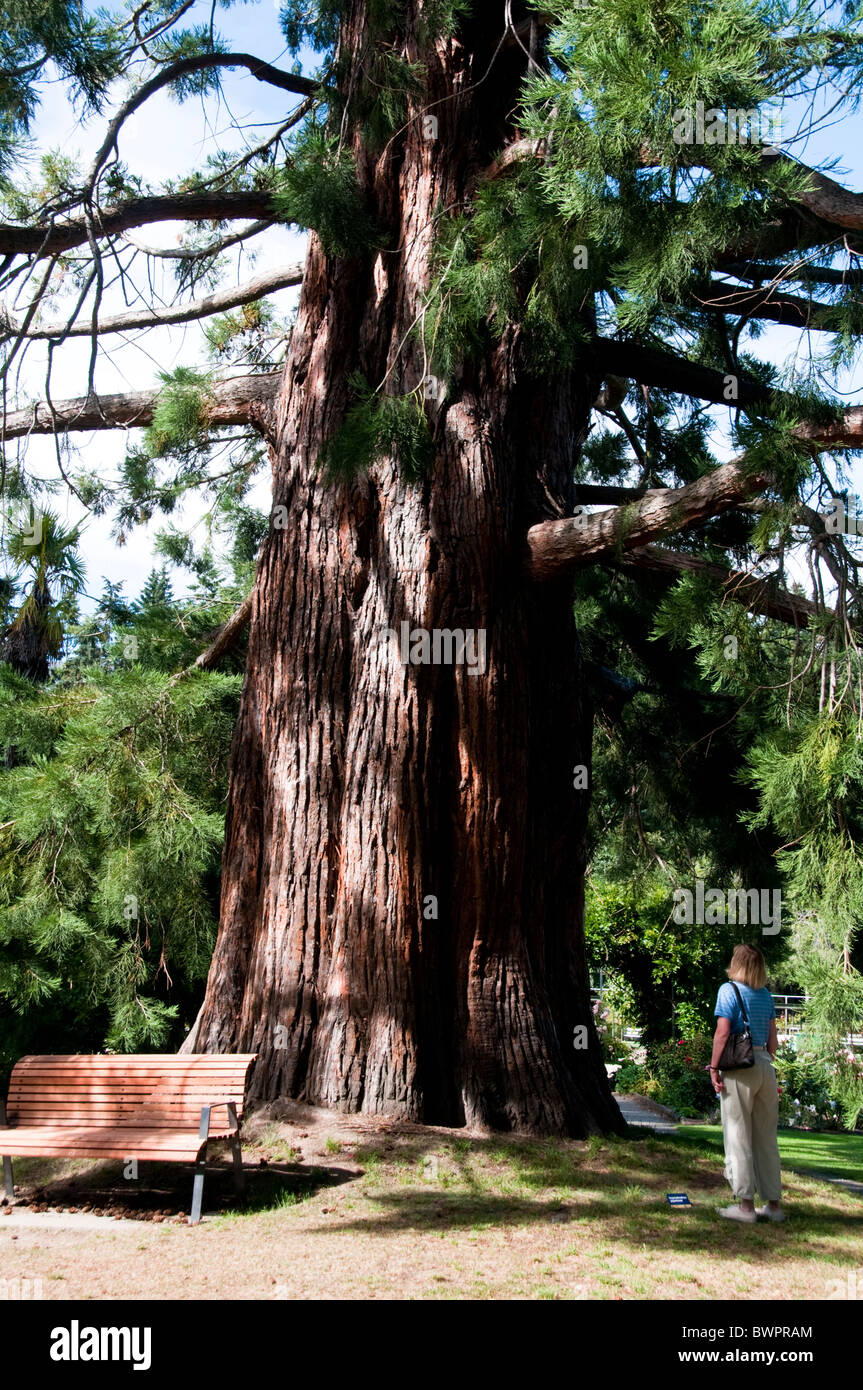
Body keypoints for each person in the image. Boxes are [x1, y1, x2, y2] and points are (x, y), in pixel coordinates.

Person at [709, 943, 784, 1223]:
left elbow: (722, 1032)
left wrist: (714, 1067)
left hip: (740, 1068)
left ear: (736, 963)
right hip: (765, 1064)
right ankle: (774, 1205)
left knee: (738, 1135)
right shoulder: (765, 995)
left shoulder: (728, 991)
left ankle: (745, 1206)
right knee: (766, 1138)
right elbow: (774, 1041)